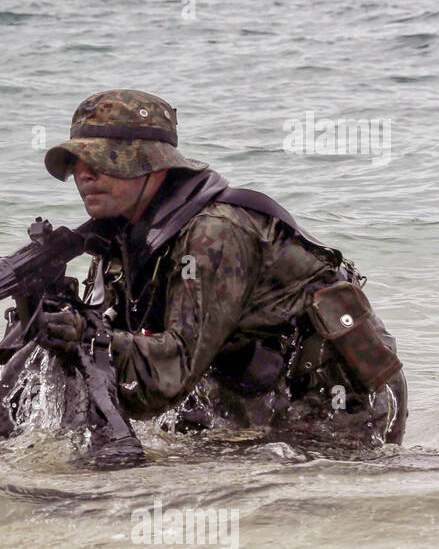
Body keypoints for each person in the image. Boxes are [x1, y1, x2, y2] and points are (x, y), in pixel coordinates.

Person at [35, 89, 407, 449]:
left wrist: (86, 336)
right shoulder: (124, 237)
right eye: (77, 162)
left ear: (154, 164)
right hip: (249, 394)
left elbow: (170, 375)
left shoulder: (216, 232)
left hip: (339, 408)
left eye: (104, 160)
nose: (85, 174)